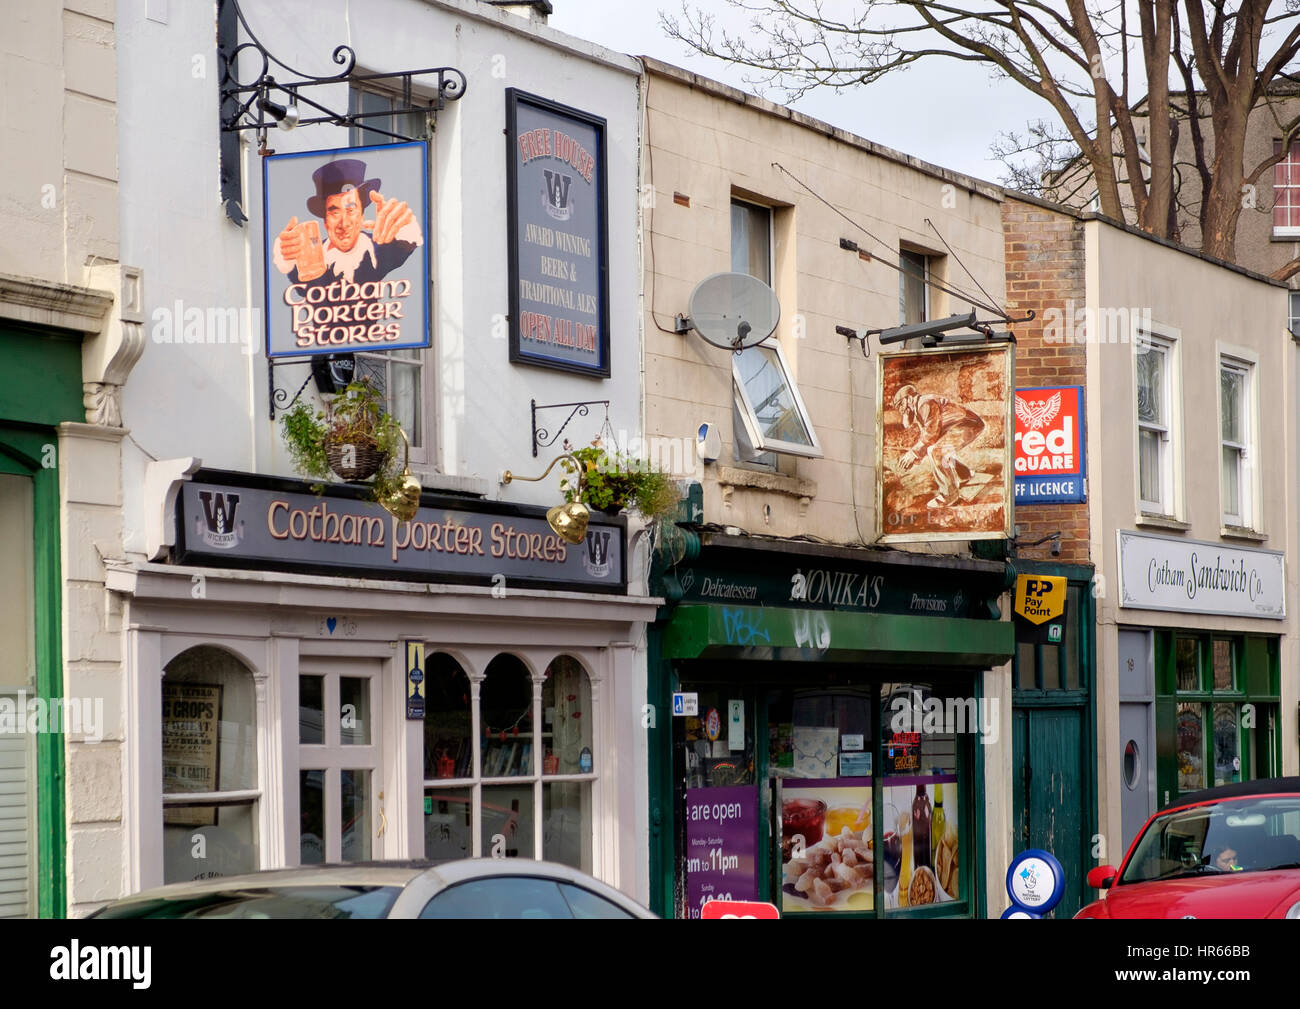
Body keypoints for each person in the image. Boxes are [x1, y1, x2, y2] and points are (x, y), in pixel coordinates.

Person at [273, 158, 422, 286]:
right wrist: (286, 252)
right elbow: (294, 277)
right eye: (334, 212)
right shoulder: (310, 257)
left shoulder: (376, 249)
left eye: (351, 210)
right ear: (325, 221)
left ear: (361, 215)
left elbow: (404, 245)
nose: (344, 224)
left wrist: (403, 226)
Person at [891, 384, 986, 507]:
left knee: (936, 451)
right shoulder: (919, 407)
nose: (900, 410)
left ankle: (950, 495)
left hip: (968, 425)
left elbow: (931, 435)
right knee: (940, 449)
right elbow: (923, 432)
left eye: (900, 405)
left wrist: (913, 454)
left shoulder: (924, 404)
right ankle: (964, 474)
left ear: (908, 399)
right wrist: (915, 453)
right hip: (959, 426)